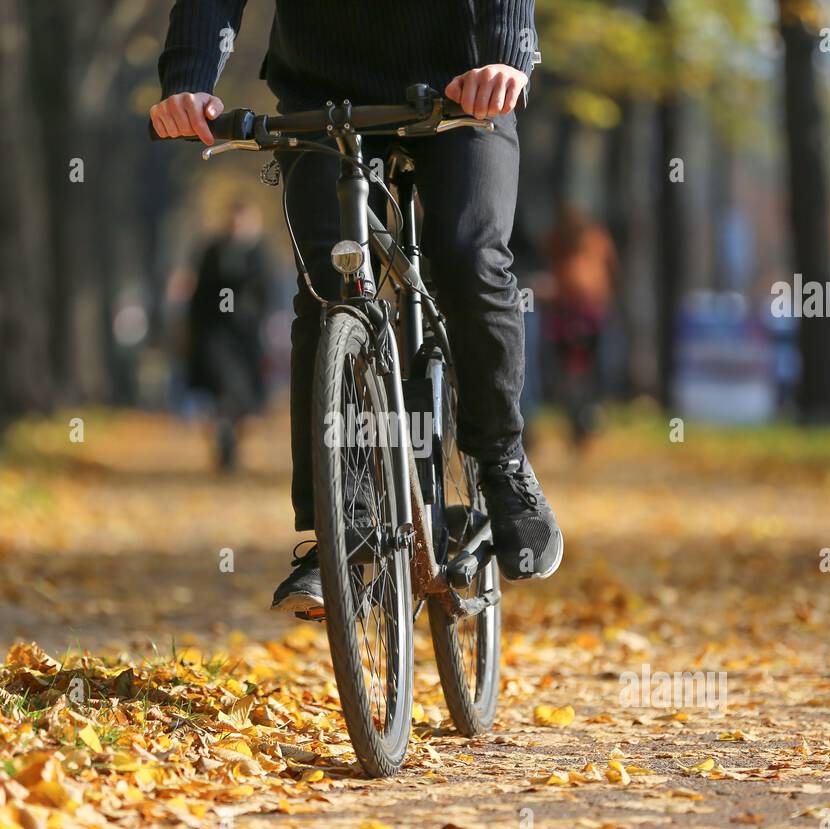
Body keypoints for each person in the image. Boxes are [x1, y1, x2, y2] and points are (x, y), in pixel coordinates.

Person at [150, 1, 563, 615]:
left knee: (468, 259)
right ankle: (338, 533)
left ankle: (502, 464)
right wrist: (188, 80)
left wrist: (506, 55)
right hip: (322, 92)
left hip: (464, 86)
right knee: (327, 287)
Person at [186, 199, 273, 471]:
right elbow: (199, 294)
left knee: (243, 398)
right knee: (224, 390)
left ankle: (230, 443)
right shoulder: (213, 251)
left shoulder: (259, 253)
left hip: (246, 336)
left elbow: (265, 294)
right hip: (216, 334)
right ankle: (225, 446)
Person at [543, 208, 618, 445]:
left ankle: (589, 413)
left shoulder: (597, 240)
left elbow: (611, 271)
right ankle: (577, 418)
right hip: (565, 318)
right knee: (570, 374)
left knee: (593, 371)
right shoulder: (556, 243)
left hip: (592, 316)